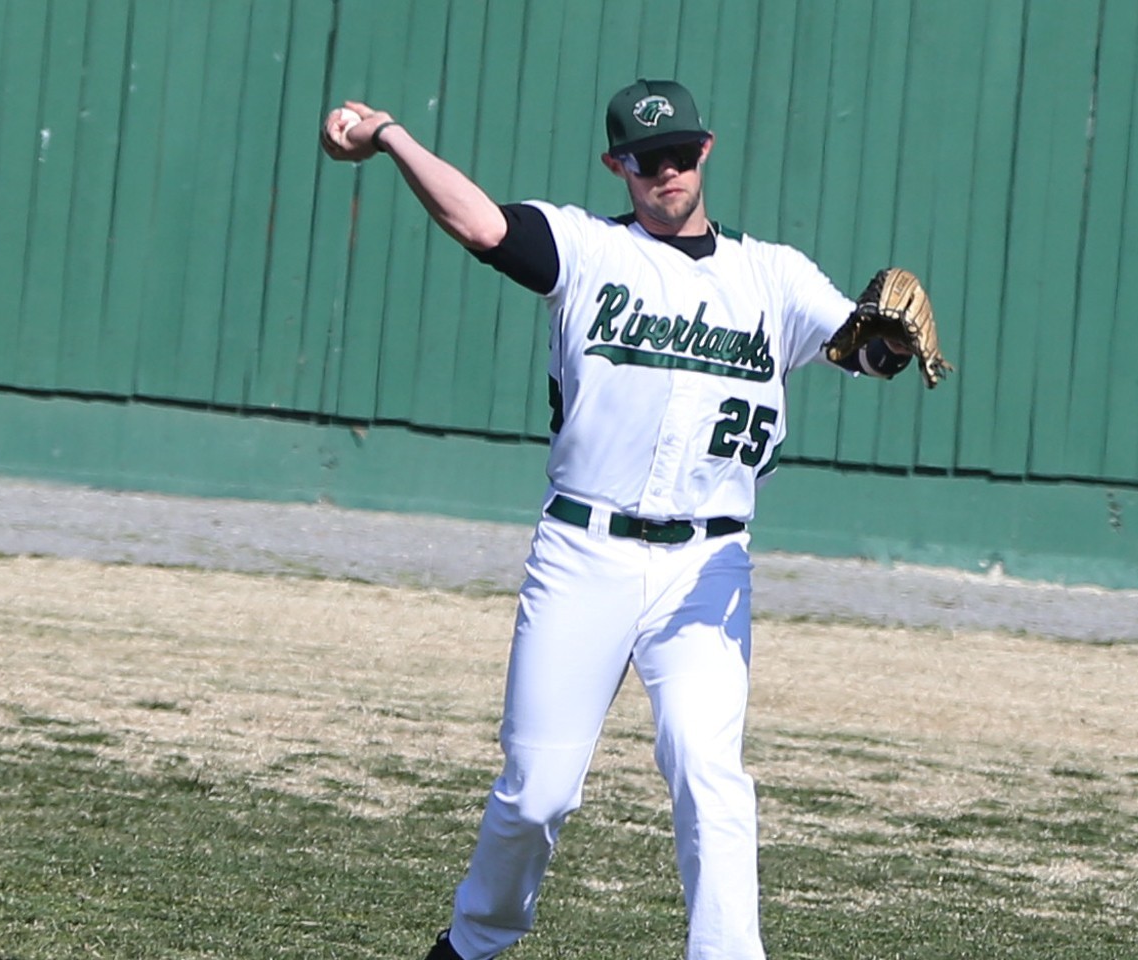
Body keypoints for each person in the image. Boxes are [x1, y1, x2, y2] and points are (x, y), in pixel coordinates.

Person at [320, 78, 915, 960]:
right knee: (537, 793)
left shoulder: (774, 275)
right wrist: (393, 137)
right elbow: (481, 225)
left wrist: (889, 341)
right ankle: (474, 941)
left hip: (707, 566)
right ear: (618, 166)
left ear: (704, 152)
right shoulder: (586, 246)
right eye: (647, 160)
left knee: (711, 778)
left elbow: (861, 347)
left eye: (680, 154)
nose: (666, 172)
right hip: (583, 553)